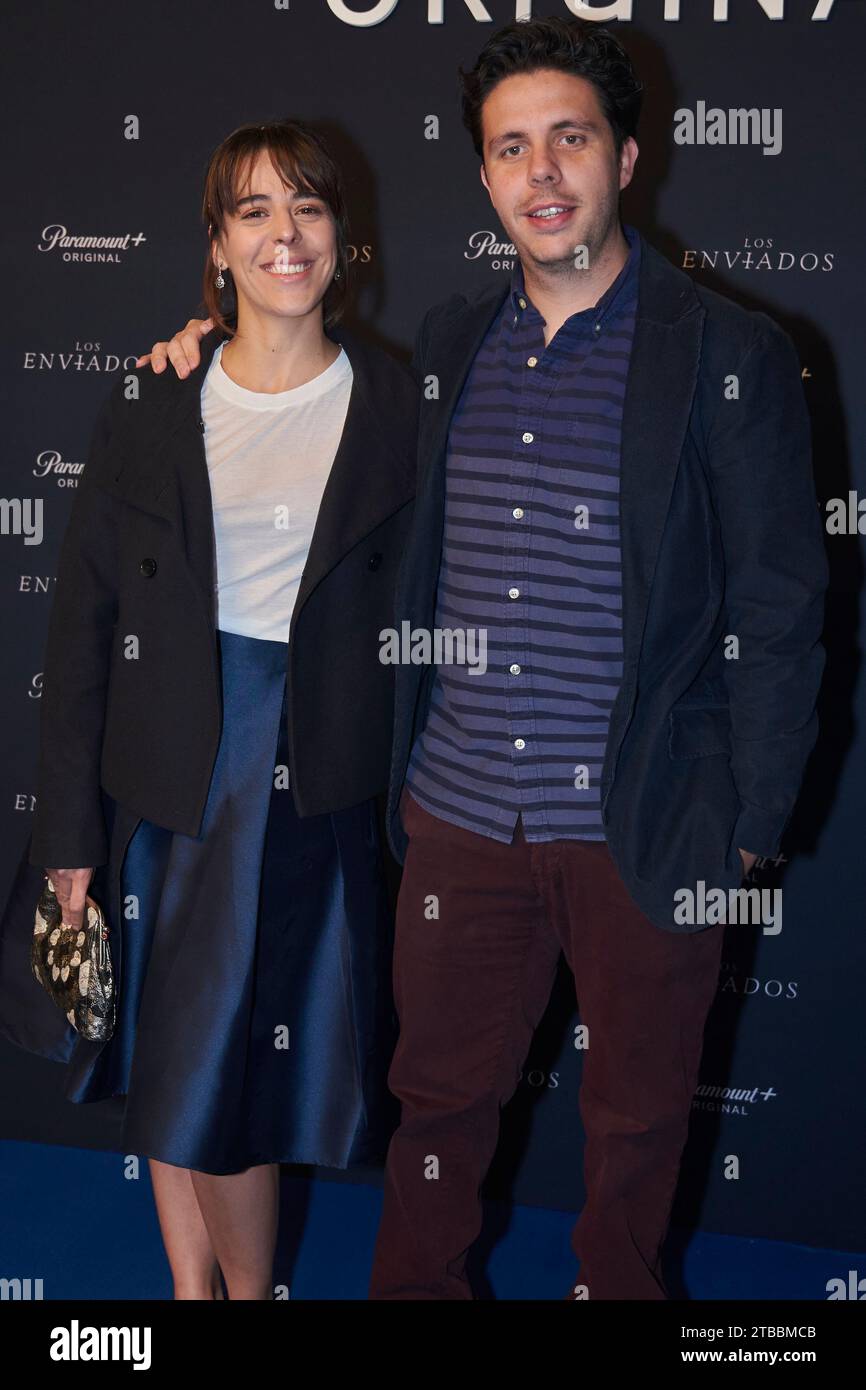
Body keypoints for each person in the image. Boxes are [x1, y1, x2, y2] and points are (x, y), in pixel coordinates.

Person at [136, 17, 828, 1301]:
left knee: (634, 1135)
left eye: (568, 138)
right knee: (434, 1125)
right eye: (512, 148)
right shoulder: (445, 352)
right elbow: (286, 381)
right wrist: (192, 354)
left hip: (643, 827)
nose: (542, 172)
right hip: (454, 820)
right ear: (485, 179)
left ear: (625, 156)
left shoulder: (725, 353)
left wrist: (741, 834)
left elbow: (782, 611)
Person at [0, 119, 417, 1300]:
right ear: (218, 247)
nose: (284, 234)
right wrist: (69, 842)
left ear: (345, 236)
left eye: (308, 208)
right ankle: (194, 1290)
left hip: (298, 788)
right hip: (154, 781)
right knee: (162, 1055)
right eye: (252, 211)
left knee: (221, 1085)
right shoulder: (152, 393)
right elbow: (78, 626)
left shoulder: (399, 406)